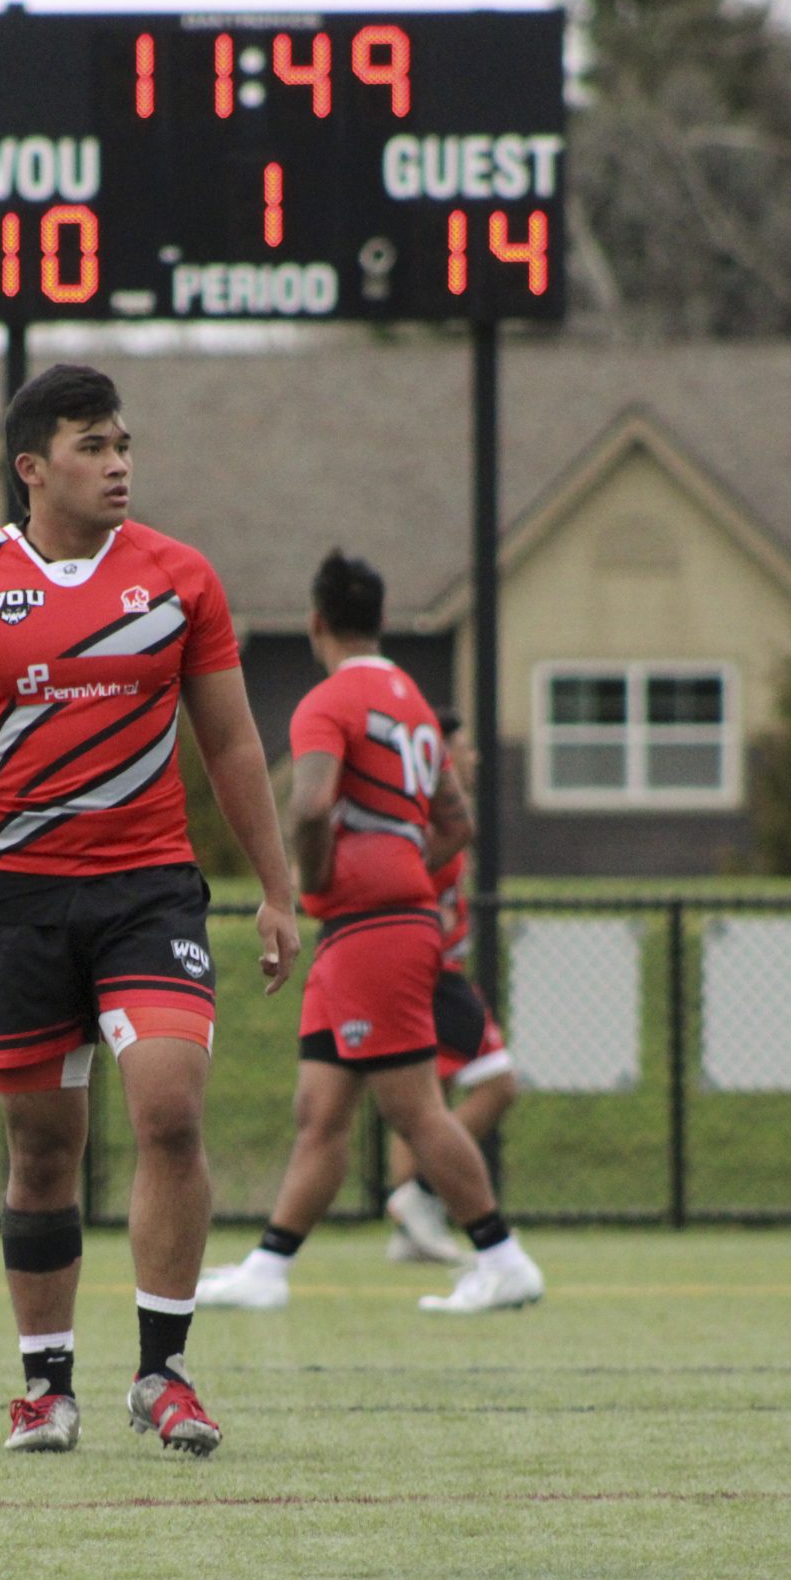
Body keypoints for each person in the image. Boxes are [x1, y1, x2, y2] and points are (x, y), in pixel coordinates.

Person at [0, 363, 302, 1457]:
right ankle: (45, 1387)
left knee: (169, 1107)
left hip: (147, 892)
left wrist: (278, 886)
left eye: (124, 445)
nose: (118, 465)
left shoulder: (180, 579)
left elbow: (233, 742)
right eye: (93, 447)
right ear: (32, 468)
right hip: (15, 902)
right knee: (43, 1146)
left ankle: (163, 1376)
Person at [197, 551, 544, 1315]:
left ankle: (501, 1254)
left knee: (414, 1107)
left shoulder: (328, 702)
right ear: (381, 620)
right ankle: (269, 1267)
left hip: (370, 927)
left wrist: (310, 884)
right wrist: (401, 864)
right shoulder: (411, 701)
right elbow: (458, 824)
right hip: (375, 925)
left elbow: (311, 804)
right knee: (321, 1111)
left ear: (316, 621)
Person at [381, 710, 522, 1265]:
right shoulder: (426, 821)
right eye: (461, 747)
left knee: (421, 1099)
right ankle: (420, 1196)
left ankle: (413, 1226)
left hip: (432, 974)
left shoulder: (443, 815)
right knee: (498, 1083)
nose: (473, 756)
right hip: (432, 975)